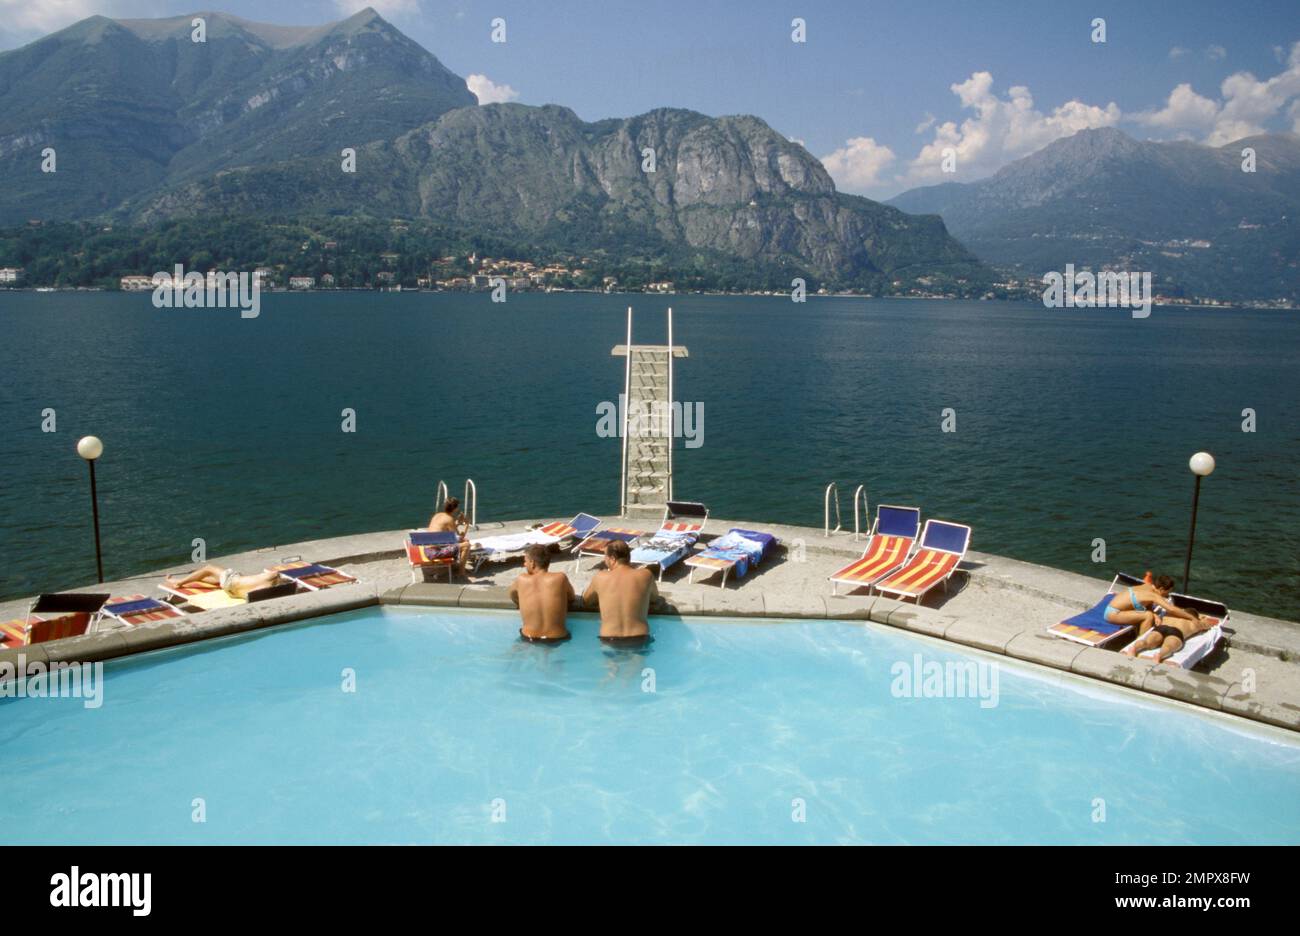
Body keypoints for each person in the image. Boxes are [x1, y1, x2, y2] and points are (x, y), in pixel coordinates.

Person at [1113, 574, 1206, 663]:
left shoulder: (1169, 615)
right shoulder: (1192, 622)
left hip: (1161, 628)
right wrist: (1199, 619)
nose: (1167, 594)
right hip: (1176, 633)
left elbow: (1172, 610)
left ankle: (1134, 648)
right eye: (1168, 591)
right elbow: (1206, 625)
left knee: (1147, 642)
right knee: (1169, 646)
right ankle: (1159, 655)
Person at [583, 539, 657, 645]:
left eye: (605, 556)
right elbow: (655, 598)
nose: (605, 560)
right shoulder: (646, 575)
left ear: (612, 558)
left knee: (611, 662)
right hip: (640, 637)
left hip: (609, 638)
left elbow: (587, 601)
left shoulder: (600, 577)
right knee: (639, 662)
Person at [508, 544, 575, 643]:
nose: (524, 564)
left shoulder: (521, 579)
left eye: (525, 561)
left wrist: (521, 603)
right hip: (557, 637)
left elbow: (512, 595)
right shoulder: (560, 578)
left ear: (532, 562)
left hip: (529, 637)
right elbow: (571, 597)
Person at [164, 564, 281, 599]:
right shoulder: (266, 588)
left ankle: (179, 582)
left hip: (232, 581)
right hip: (233, 592)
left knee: (208, 568)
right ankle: (195, 576)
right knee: (217, 579)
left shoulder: (271, 577)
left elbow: (276, 572)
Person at [426, 495, 472, 573]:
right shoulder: (449, 519)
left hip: (427, 549)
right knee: (466, 545)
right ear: (456, 508)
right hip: (434, 552)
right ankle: (461, 573)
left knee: (460, 543)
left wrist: (457, 523)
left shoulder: (437, 515)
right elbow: (459, 539)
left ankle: (456, 565)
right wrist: (467, 524)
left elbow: (446, 532)